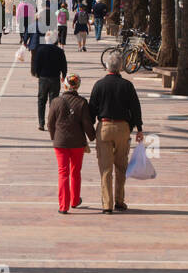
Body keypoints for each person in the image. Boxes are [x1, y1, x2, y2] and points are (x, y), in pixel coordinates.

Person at [88, 53, 145, 213]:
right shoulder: (127, 85)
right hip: (123, 128)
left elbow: (92, 109)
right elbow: (135, 108)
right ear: (120, 67)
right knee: (121, 166)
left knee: (105, 169)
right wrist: (138, 128)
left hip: (104, 127)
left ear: (107, 67)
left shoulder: (99, 85)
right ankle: (120, 201)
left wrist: (90, 129)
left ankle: (107, 204)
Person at [47, 74, 96, 214]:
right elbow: (87, 124)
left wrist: (54, 137)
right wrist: (92, 137)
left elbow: (50, 122)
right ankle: (74, 200)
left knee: (63, 173)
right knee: (75, 172)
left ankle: (63, 206)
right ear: (78, 86)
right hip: (77, 142)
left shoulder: (56, 101)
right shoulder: (82, 102)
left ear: (65, 85)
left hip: (60, 143)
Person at [31, 31, 68, 132]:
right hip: (55, 78)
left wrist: (37, 74)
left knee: (41, 101)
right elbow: (64, 65)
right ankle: (52, 123)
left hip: (43, 78)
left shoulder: (40, 50)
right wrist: (63, 76)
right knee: (54, 102)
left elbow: (36, 64)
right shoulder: (60, 51)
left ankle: (41, 123)